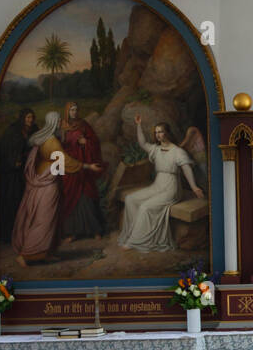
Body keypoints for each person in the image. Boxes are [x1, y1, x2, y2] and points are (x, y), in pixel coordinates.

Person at [12, 112, 96, 266]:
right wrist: (87, 165)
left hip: (45, 180)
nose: (60, 124)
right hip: (48, 183)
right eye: (58, 122)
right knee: (45, 218)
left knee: (51, 218)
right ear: (53, 123)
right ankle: (26, 254)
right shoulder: (51, 142)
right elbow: (65, 161)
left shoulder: (43, 139)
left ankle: (46, 252)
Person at [118, 116, 204, 254]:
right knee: (131, 199)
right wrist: (139, 125)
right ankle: (132, 233)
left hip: (171, 188)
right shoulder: (156, 149)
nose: (158, 135)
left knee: (146, 207)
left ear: (167, 133)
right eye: (156, 132)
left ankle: (135, 241)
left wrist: (194, 187)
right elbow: (142, 143)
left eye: (161, 132)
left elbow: (186, 169)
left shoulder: (177, 151)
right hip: (158, 184)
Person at [58, 101, 106, 242]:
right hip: (70, 167)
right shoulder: (62, 126)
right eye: (71, 110)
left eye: (76, 109)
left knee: (87, 195)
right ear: (67, 111)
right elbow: (59, 146)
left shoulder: (84, 124)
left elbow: (95, 142)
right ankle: (72, 232)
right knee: (71, 197)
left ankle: (95, 230)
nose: (74, 112)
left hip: (84, 165)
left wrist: (86, 142)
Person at [0, 108, 35, 243]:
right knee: (12, 201)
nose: (30, 120)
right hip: (10, 174)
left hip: (23, 172)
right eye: (28, 117)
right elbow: (5, 150)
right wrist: (14, 162)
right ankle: (9, 234)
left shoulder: (32, 130)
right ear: (22, 118)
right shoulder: (13, 131)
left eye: (31, 118)